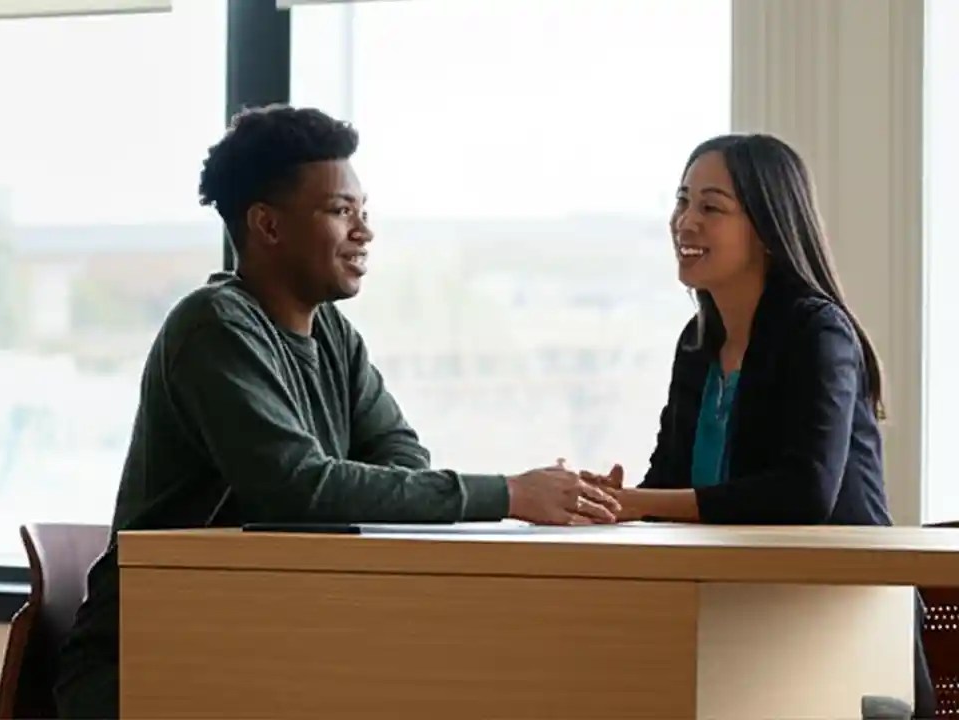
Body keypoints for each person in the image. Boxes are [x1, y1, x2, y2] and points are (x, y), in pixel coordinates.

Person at [53, 104, 620, 719]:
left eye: (363, 211)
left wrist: (361, 490)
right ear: (267, 225)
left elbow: (401, 457)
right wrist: (509, 493)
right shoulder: (213, 326)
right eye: (340, 211)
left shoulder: (335, 337)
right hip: (146, 661)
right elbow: (300, 489)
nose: (364, 231)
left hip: (265, 646)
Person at [583, 133, 935, 718]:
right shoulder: (698, 345)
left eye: (711, 207)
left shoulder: (817, 333)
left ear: (767, 230)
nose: (685, 222)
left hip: (841, 620)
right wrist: (615, 498)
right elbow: (669, 480)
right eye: (682, 201)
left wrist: (642, 500)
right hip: (739, 618)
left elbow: (803, 493)